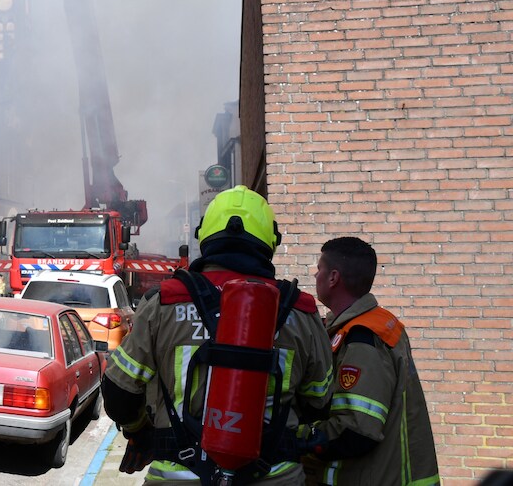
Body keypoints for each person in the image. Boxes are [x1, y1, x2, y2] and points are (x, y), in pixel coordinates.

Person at [101, 185, 334, 485]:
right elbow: (320, 401)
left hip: (178, 475)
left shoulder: (165, 301)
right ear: (269, 241)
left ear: (205, 236)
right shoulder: (300, 311)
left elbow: (119, 391)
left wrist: (140, 432)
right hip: (276, 476)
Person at [301, 236, 440, 485]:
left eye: (319, 268)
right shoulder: (373, 323)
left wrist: (296, 438)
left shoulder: (363, 339)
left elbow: (356, 430)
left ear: (333, 278)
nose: (315, 275)